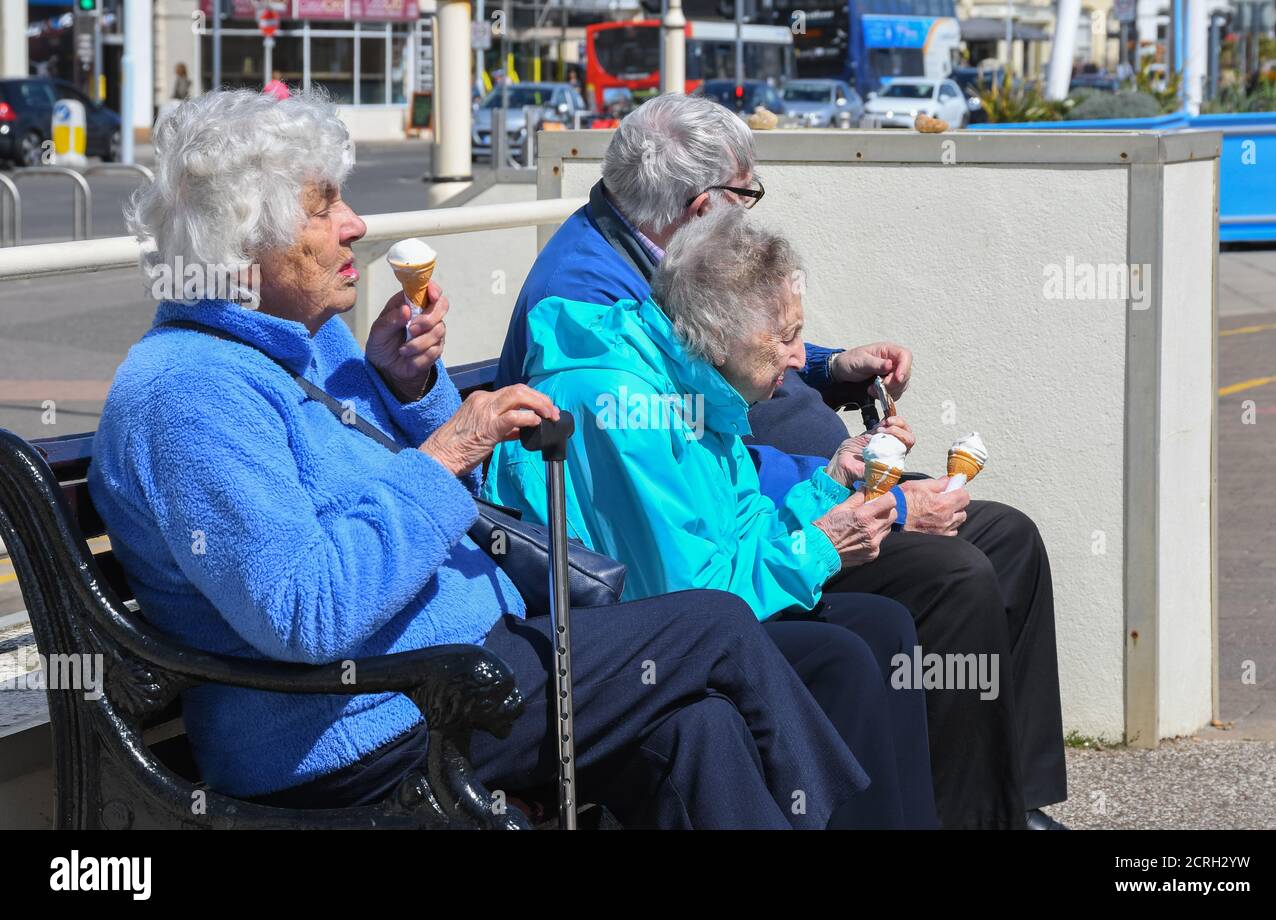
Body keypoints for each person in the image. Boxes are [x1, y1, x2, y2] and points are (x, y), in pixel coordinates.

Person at [88, 88, 883, 829]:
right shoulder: (188, 395)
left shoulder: (308, 341)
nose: (356, 225)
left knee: (697, 726)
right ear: (244, 237)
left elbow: (412, 482)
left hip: (465, 661)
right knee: (715, 625)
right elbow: (306, 610)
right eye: (325, 205)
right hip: (357, 724)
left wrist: (412, 387)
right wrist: (448, 447)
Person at [495, 92, 1069, 830]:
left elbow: (730, 465)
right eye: (745, 195)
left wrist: (829, 418)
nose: (798, 358)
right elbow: (694, 593)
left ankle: (996, 808)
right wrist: (837, 520)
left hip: (778, 510)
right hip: (680, 593)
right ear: (700, 211)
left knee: (994, 545)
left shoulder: (690, 342)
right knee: (916, 603)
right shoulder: (629, 372)